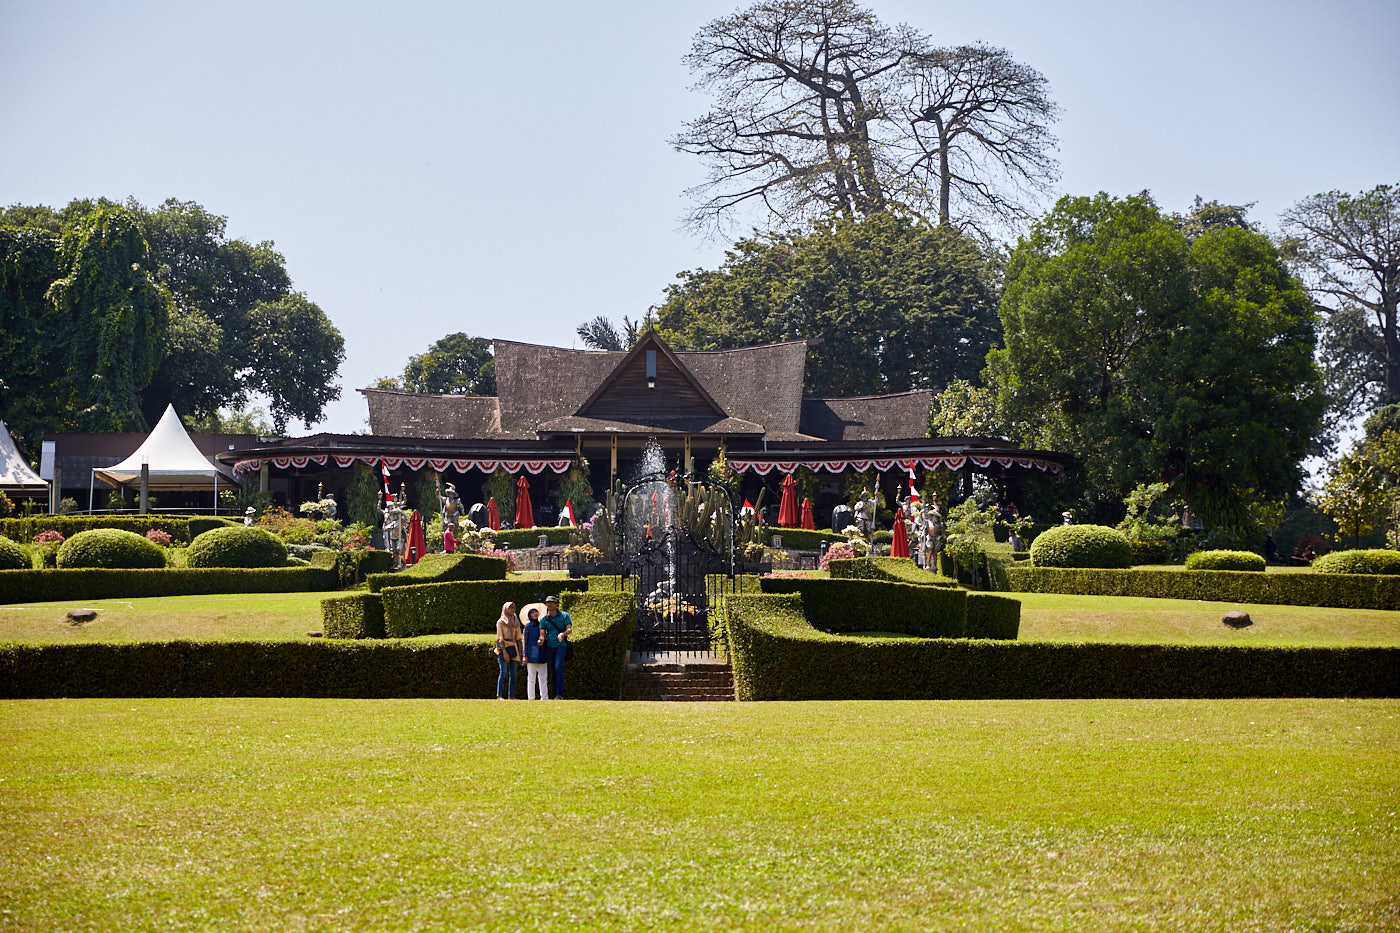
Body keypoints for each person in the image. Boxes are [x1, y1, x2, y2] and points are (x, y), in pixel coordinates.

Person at [540, 595, 573, 700]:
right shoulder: (544, 619)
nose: (549, 604)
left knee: (558, 667)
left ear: (556, 604)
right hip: (550, 646)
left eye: (552, 602)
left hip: (561, 646)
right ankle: (555, 694)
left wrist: (563, 634)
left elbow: (570, 629)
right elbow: (542, 633)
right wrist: (540, 640)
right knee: (553, 670)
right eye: (547, 603)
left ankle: (560, 694)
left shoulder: (564, 615)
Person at [495, 601, 524, 699]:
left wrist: (520, 652)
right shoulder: (501, 622)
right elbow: (499, 638)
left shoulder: (516, 621)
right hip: (504, 647)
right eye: (510, 607)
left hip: (514, 647)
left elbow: (519, 637)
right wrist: (504, 652)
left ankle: (511, 696)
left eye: (514, 607)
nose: (513, 610)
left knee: (514, 673)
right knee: (503, 672)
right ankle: (499, 695)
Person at [521, 603, 549, 700]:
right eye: (532, 613)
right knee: (531, 678)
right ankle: (531, 697)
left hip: (542, 654)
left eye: (536, 612)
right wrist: (525, 656)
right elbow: (525, 642)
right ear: (529, 615)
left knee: (543, 678)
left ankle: (544, 697)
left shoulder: (542, 625)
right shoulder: (527, 627)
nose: (534, 614)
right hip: (531, 655)